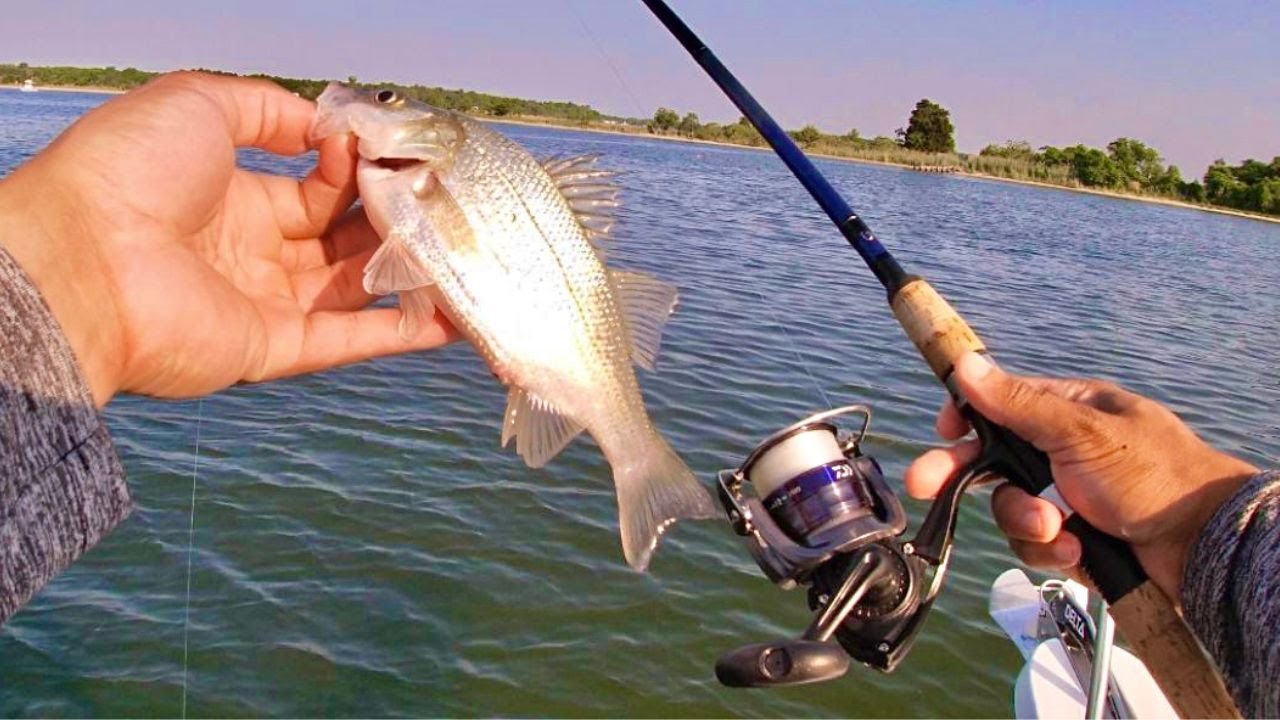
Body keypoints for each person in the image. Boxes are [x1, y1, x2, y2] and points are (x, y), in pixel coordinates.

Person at [0, 72, 1274, 714]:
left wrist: (71, 294)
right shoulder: (421, 178)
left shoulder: (428, 168)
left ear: (418, 137)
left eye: (384, 101)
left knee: (591, 401)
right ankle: (633, 459)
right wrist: (1209, 531)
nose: (361, 105)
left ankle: (634, 461)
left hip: (544, 321)